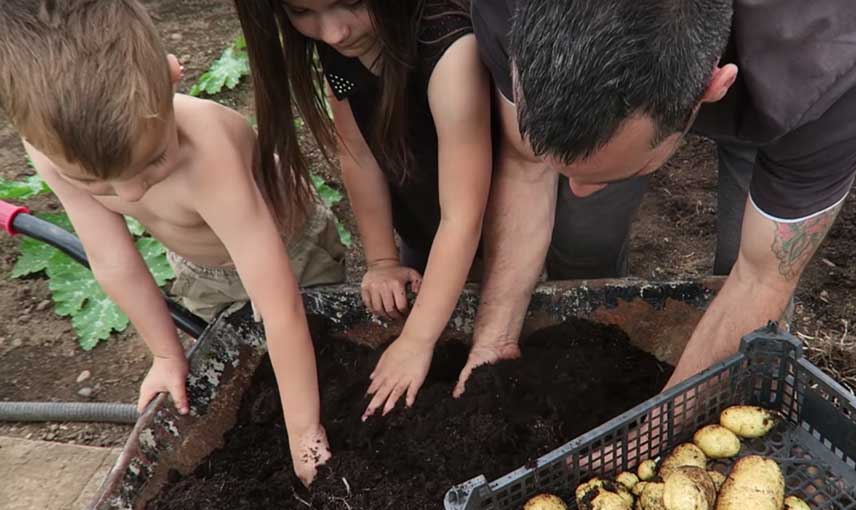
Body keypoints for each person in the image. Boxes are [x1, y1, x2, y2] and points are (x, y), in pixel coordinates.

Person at [455, 0, 856, 395]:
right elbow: (525, 163)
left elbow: (762, 277)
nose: (578, 191)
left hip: (779, 77)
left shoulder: (837, 72)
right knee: (585, 234)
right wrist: (494, 339)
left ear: (713, 87)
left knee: (736, 269)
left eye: (615, 170)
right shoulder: (505, 10)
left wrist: (649, 438)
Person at [0, 0, 346, 485]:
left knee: (324, 345)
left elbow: (281, 304)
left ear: (171, 76)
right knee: (239, 350)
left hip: (289, 250)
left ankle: (318, 407)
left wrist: (305, 438)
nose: (131, 194)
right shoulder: (54, 151)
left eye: (153, 163)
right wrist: (165, 354)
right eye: (98, 184)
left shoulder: (209, 155)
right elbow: (114, 260)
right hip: (198, 265)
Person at [233, 0, 492, 419]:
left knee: (501, 294)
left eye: (351, 2)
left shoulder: (449, 49)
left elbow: (465, 215)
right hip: (423, 207)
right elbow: (358, 156)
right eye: (302, 13)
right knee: (427, 290)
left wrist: (416, 341)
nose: (334, 32)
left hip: (491, 205)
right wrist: (381, 260)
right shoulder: (343, 44)